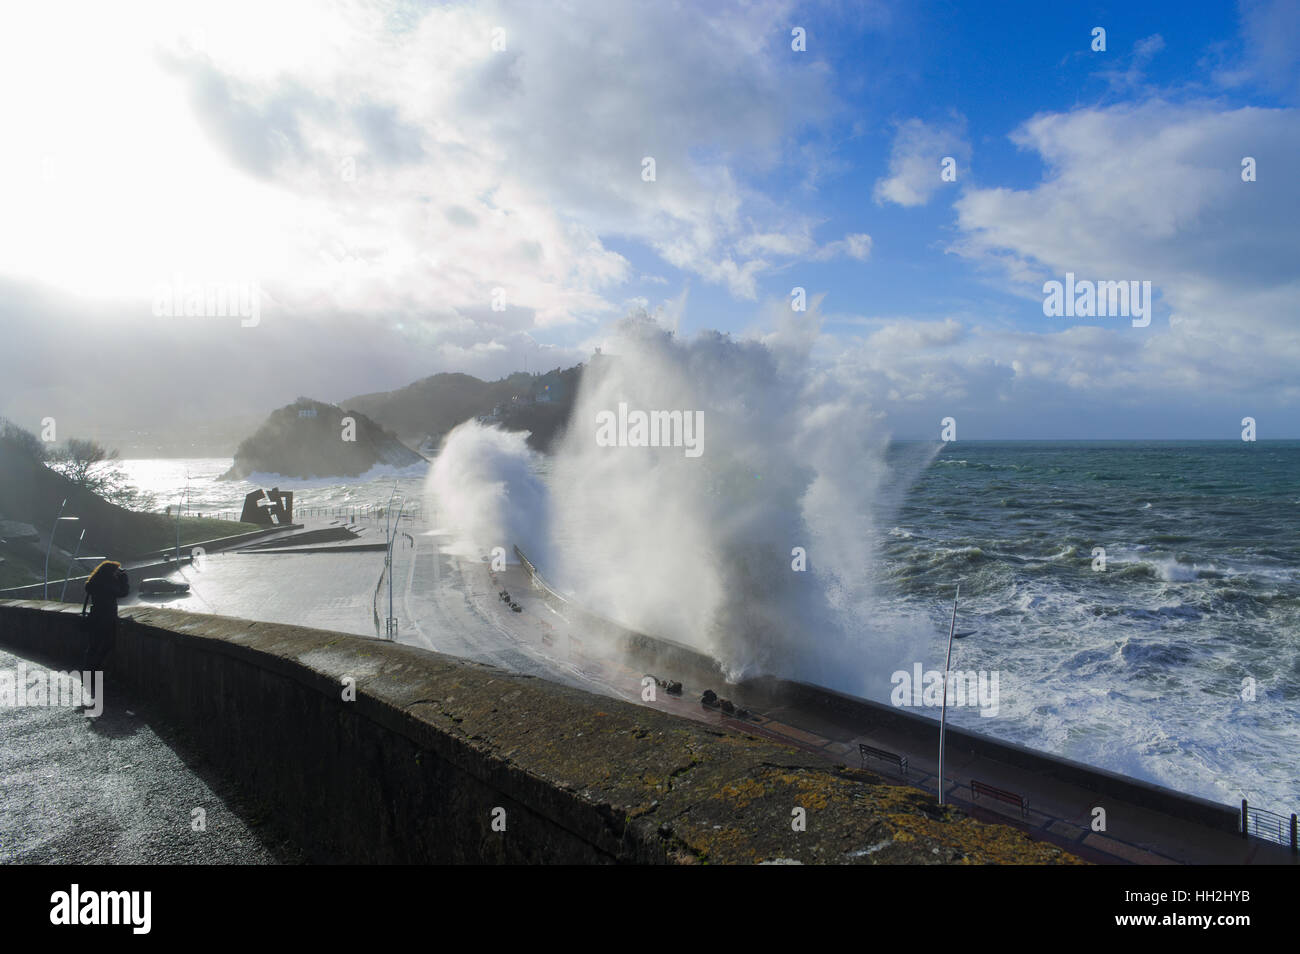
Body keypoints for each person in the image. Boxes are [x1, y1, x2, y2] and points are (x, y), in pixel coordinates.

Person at [80, 560, 130, 676]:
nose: (117, 573)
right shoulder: (108, 585)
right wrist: (124, 579)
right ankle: (95, 673)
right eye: (115, 571)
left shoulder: (94, 583)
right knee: (107, 645)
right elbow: (123, 593)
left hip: (94, 617)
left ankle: (88, 674)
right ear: (109, 573)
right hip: (107, 618)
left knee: (93, 647)